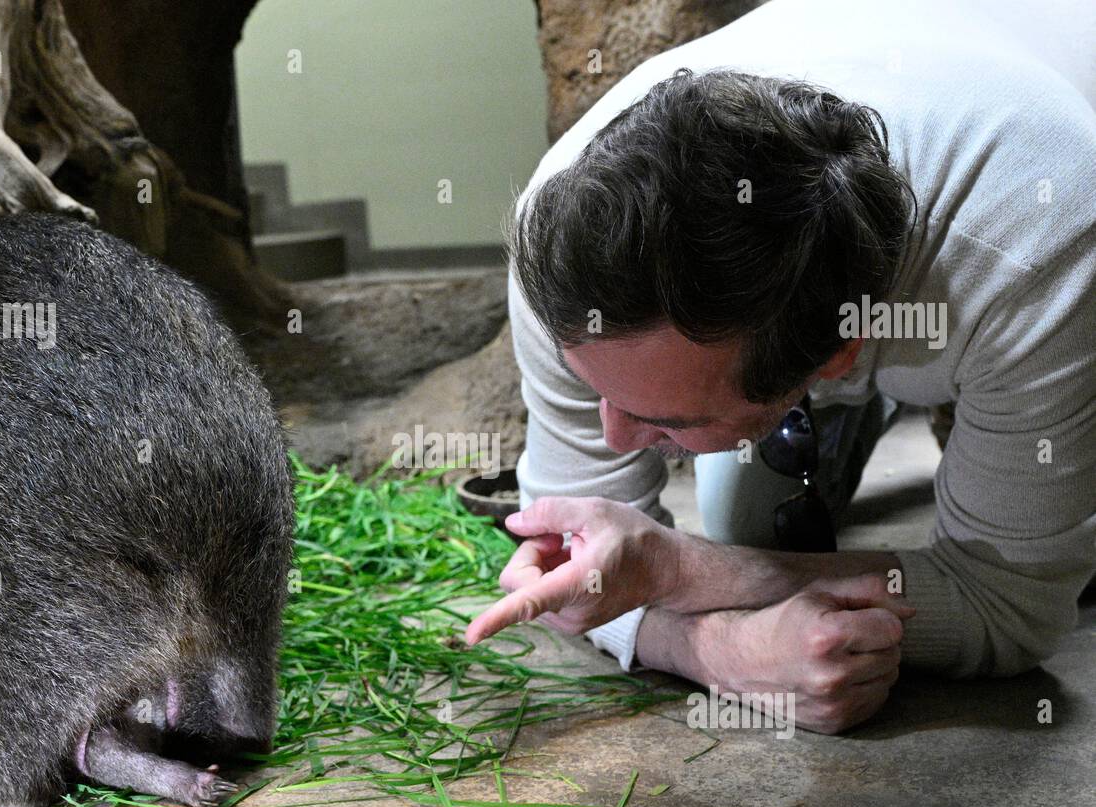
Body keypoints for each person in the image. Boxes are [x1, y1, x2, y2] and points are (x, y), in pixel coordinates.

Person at [464, 0, 1096, 733]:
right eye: (597, 388)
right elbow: (574, 566)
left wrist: (680, 570)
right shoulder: (565, 236)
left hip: (1017, 223)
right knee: (750, 526)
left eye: (667, 418)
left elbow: (1008, 607)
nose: (613, 438)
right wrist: (715, 650)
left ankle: (961, 403)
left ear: (834, 358)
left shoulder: (1037, 244)